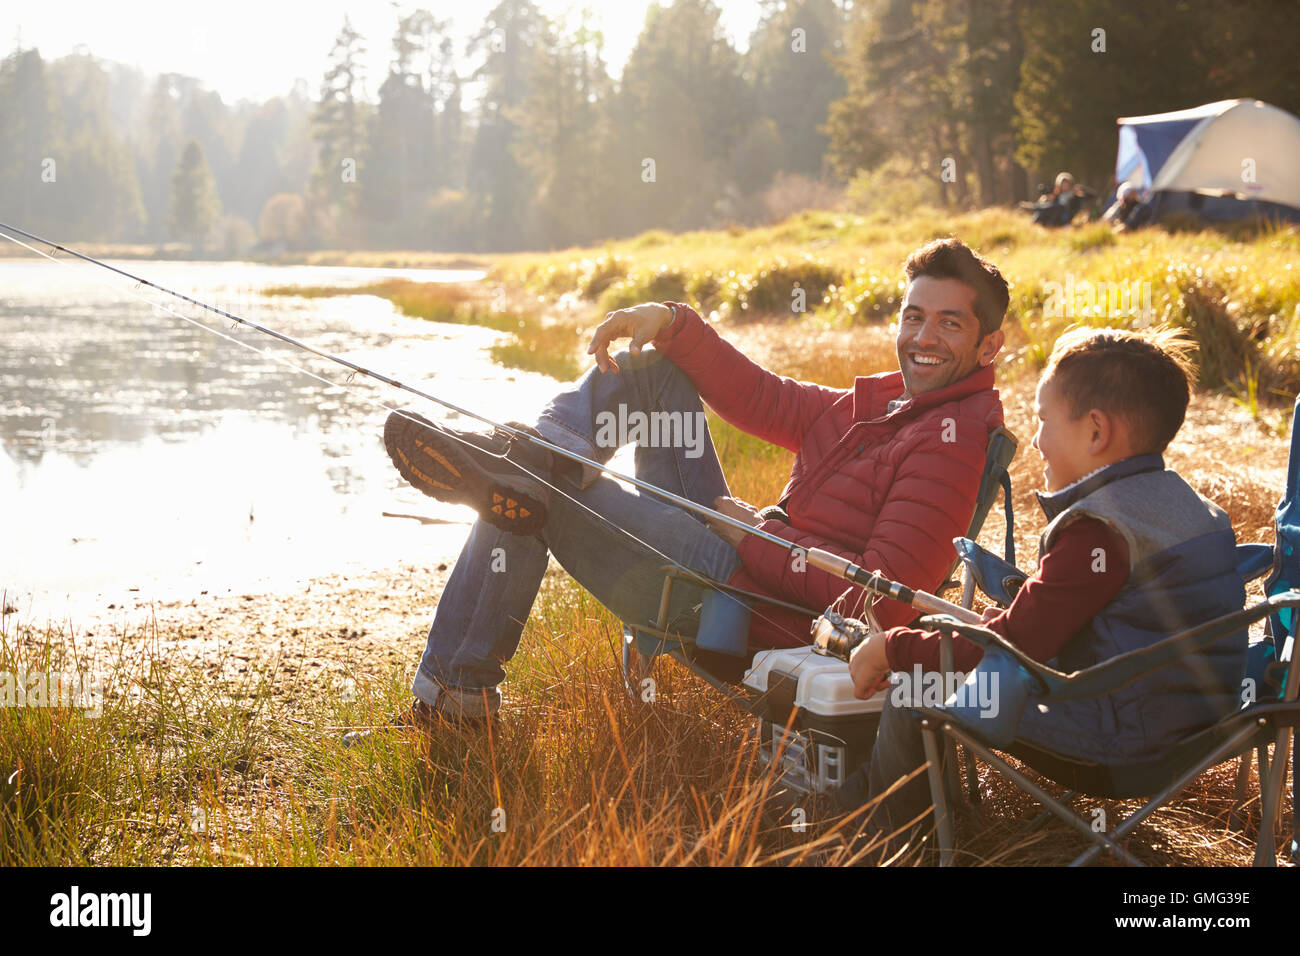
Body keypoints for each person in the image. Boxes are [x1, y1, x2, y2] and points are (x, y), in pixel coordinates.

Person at [371, 238, 1009, 731]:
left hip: (756, 605)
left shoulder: (950, 444)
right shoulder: (884, 405)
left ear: (990, 344)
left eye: (950, 324)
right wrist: (672, 322)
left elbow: (877, 605)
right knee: (652, 373)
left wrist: (750, 532)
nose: (923, 337)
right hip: (745, 551)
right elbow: (765, 397)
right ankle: (541, 460)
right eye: (914, 316)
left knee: (540, 492)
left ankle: (458, 688)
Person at [840, 326, 1247, 858]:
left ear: (1096, 432)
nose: (1035, 440)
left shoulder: (1098, 528)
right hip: (1202, 727)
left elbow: (1014, 645)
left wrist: (892, 647)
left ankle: (884, 844)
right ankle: (897, 807)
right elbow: (1113, 617)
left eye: (1043, 420)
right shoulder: (1197, 511)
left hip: (1120, 744)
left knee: (915, 687)